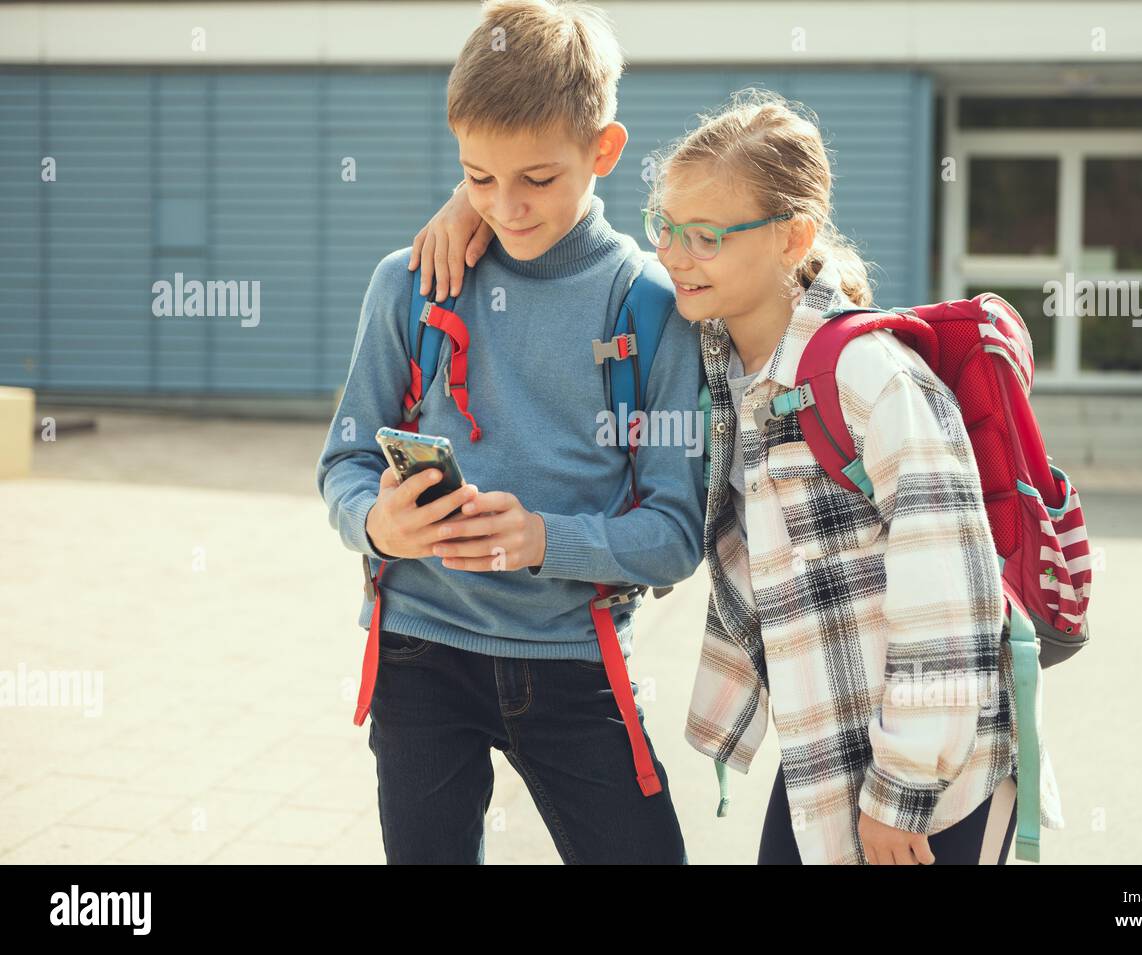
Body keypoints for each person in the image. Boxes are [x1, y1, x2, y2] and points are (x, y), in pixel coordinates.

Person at [415, 87, 1066, 865]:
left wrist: (902, 794)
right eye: (668, 227)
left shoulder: (875, 380)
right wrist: (471, 204)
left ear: (794, 237)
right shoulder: (722, 359)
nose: (676, 255)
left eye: (708, 236)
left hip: (933, 782)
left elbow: (951, 605)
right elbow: (561, 202)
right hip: (822, 758)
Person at [316, 0, 706, 864]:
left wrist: (543, 539)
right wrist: (376, 522)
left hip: (575, 658)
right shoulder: (409, 282)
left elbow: (677, 535)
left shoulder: (653, 308)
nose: (506, 207)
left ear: (603, 151)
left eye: (537, 178)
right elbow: (343, 462)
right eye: (477, 178)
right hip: (419, 649)